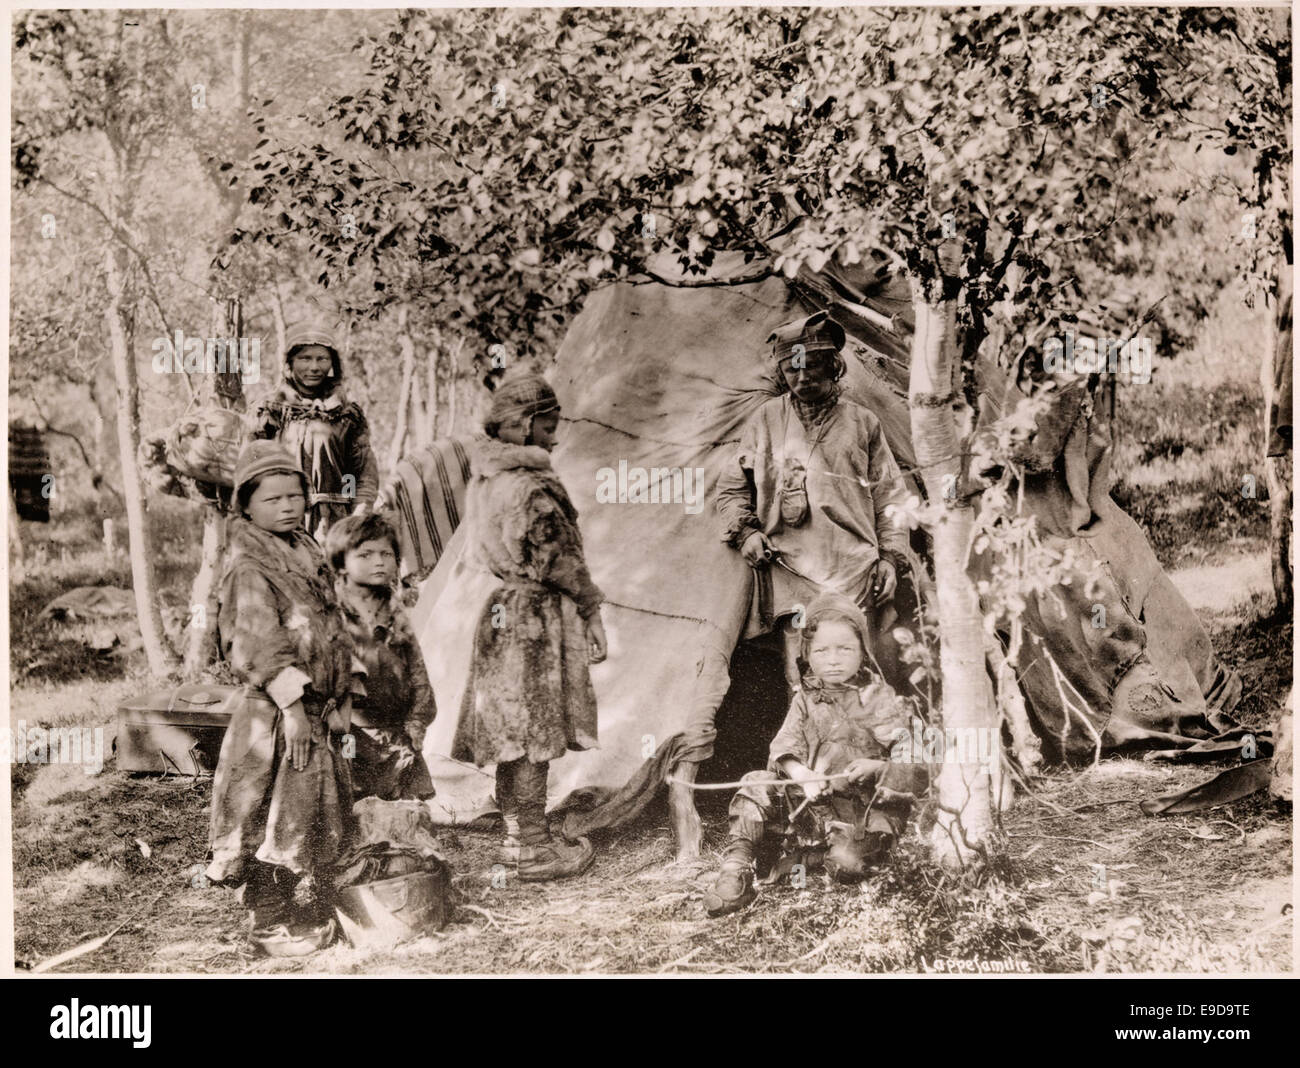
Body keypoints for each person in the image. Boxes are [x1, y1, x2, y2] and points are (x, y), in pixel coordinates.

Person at [206, 440, 364, 956]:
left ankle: (300, 907)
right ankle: (266, 923)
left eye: (295, 495)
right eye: (272, 499)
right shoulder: (249, 564)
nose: (288, 506)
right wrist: (293, 709)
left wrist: (342, 693)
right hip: (274, 719)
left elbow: (332, 623)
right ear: (245, 505)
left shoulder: (305, 546)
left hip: (316, 710)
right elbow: (256, 641)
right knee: (266, 814)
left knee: (303, 811)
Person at [450, 370, 607, 881]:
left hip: (501, 613)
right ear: (521, 426)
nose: (554, 435)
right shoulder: (532, 487)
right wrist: (591, 610)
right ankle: (532, 848)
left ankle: (519, 841)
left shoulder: (486, 480)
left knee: (510, 731)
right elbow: (558, 558)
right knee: (534, 731)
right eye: (547, 425)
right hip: (536, 619)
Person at [715, 311, 913, 690]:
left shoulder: (862, 422)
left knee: (851, 670)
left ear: (833, 366)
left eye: (812, 365)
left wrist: (890, 557)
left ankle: (854, 748)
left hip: (852, 567)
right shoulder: (766, 419)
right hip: (791, 569)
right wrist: (746, 533)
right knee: (802, 676)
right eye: (792, 369)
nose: (803, 377)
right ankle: (806, 749)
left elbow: (890, 496)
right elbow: (732, 488)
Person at [703, 592, 921, 917]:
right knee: (757, 782)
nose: (833, 660)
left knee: (848, 865)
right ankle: (737, 867)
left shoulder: (880, 699)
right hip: (812, 804)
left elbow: (913, 761)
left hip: (862, 810)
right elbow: (783, 748)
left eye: (845, 649)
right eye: (821, 651)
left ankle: (805, 859)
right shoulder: (806, 698)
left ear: (863, 650)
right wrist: (802, 774)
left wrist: (877, 767)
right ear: (807, 653)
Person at [326, 513, 436, 801]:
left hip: (396, 726)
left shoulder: (393, 609)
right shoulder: (331, 611)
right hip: (352, 728)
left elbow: (417, 667)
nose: (379, 562)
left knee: (403, 805)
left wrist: (417, 719)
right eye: (365, 555)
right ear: (341, 562)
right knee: (353, 796)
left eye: (386, 554)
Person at [250, 321, 379, 539]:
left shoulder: (346, 413)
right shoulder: (270, 409)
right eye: (305, 358)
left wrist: (355, 512)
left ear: (332, 364)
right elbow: (251, 466)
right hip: (281, 516)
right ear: (290, 363)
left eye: (322, 358)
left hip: (334, 521)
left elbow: (358, 471)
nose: (314, 367)